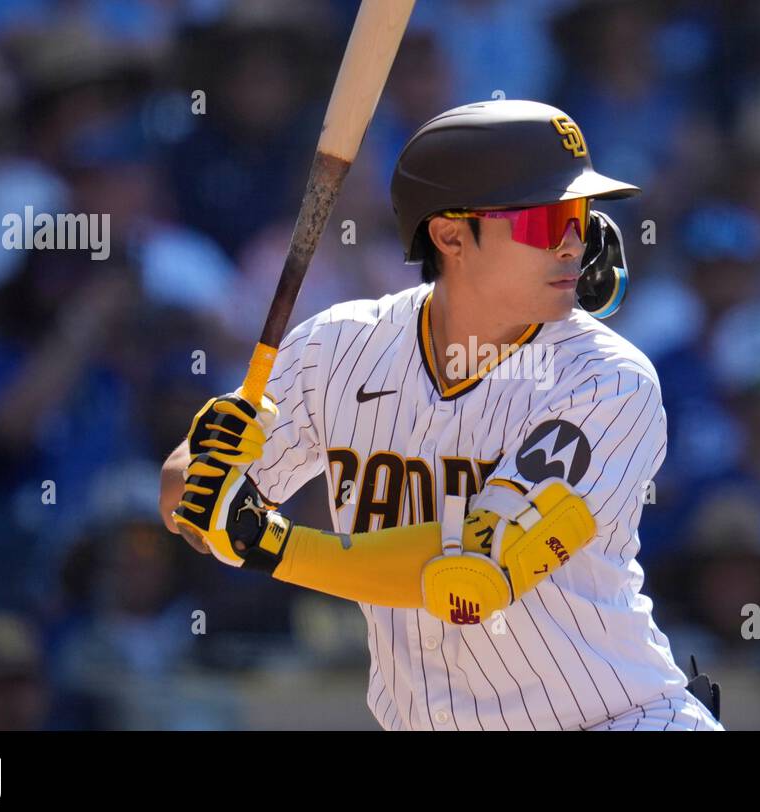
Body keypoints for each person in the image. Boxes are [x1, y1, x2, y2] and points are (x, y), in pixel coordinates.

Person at [159, 100, 721, 731]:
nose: (574, 242)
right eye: (546, 220)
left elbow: (475, 575)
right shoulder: (337, 347)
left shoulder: (607, 379)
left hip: (614, 718)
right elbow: (188, 498)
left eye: (581, 217)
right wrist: (202, 473)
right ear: (450, 235)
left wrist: (273, 545)